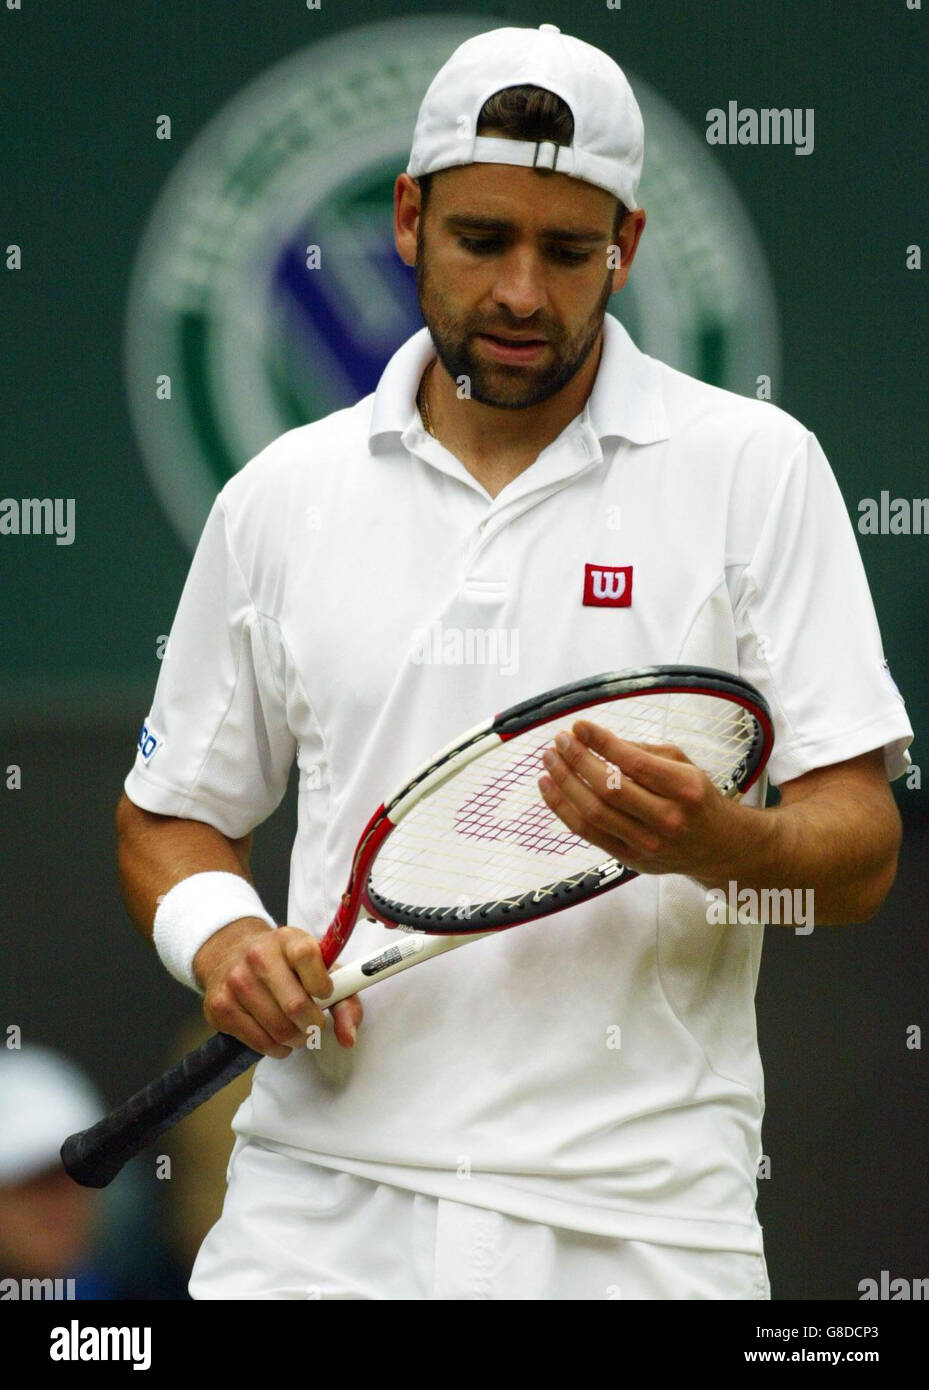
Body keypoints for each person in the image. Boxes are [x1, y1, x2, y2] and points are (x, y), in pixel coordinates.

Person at [116, 23, 912, 1299]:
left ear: (629, 247)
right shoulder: (278, 495)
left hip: (646, 1234)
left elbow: (859, 848)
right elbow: (169, 821)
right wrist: (224, 942)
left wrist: (721, 842)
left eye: (567, 248)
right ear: (406, 218)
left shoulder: (758, 471)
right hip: (316, 1224)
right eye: (482, 240)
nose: (523, 295)